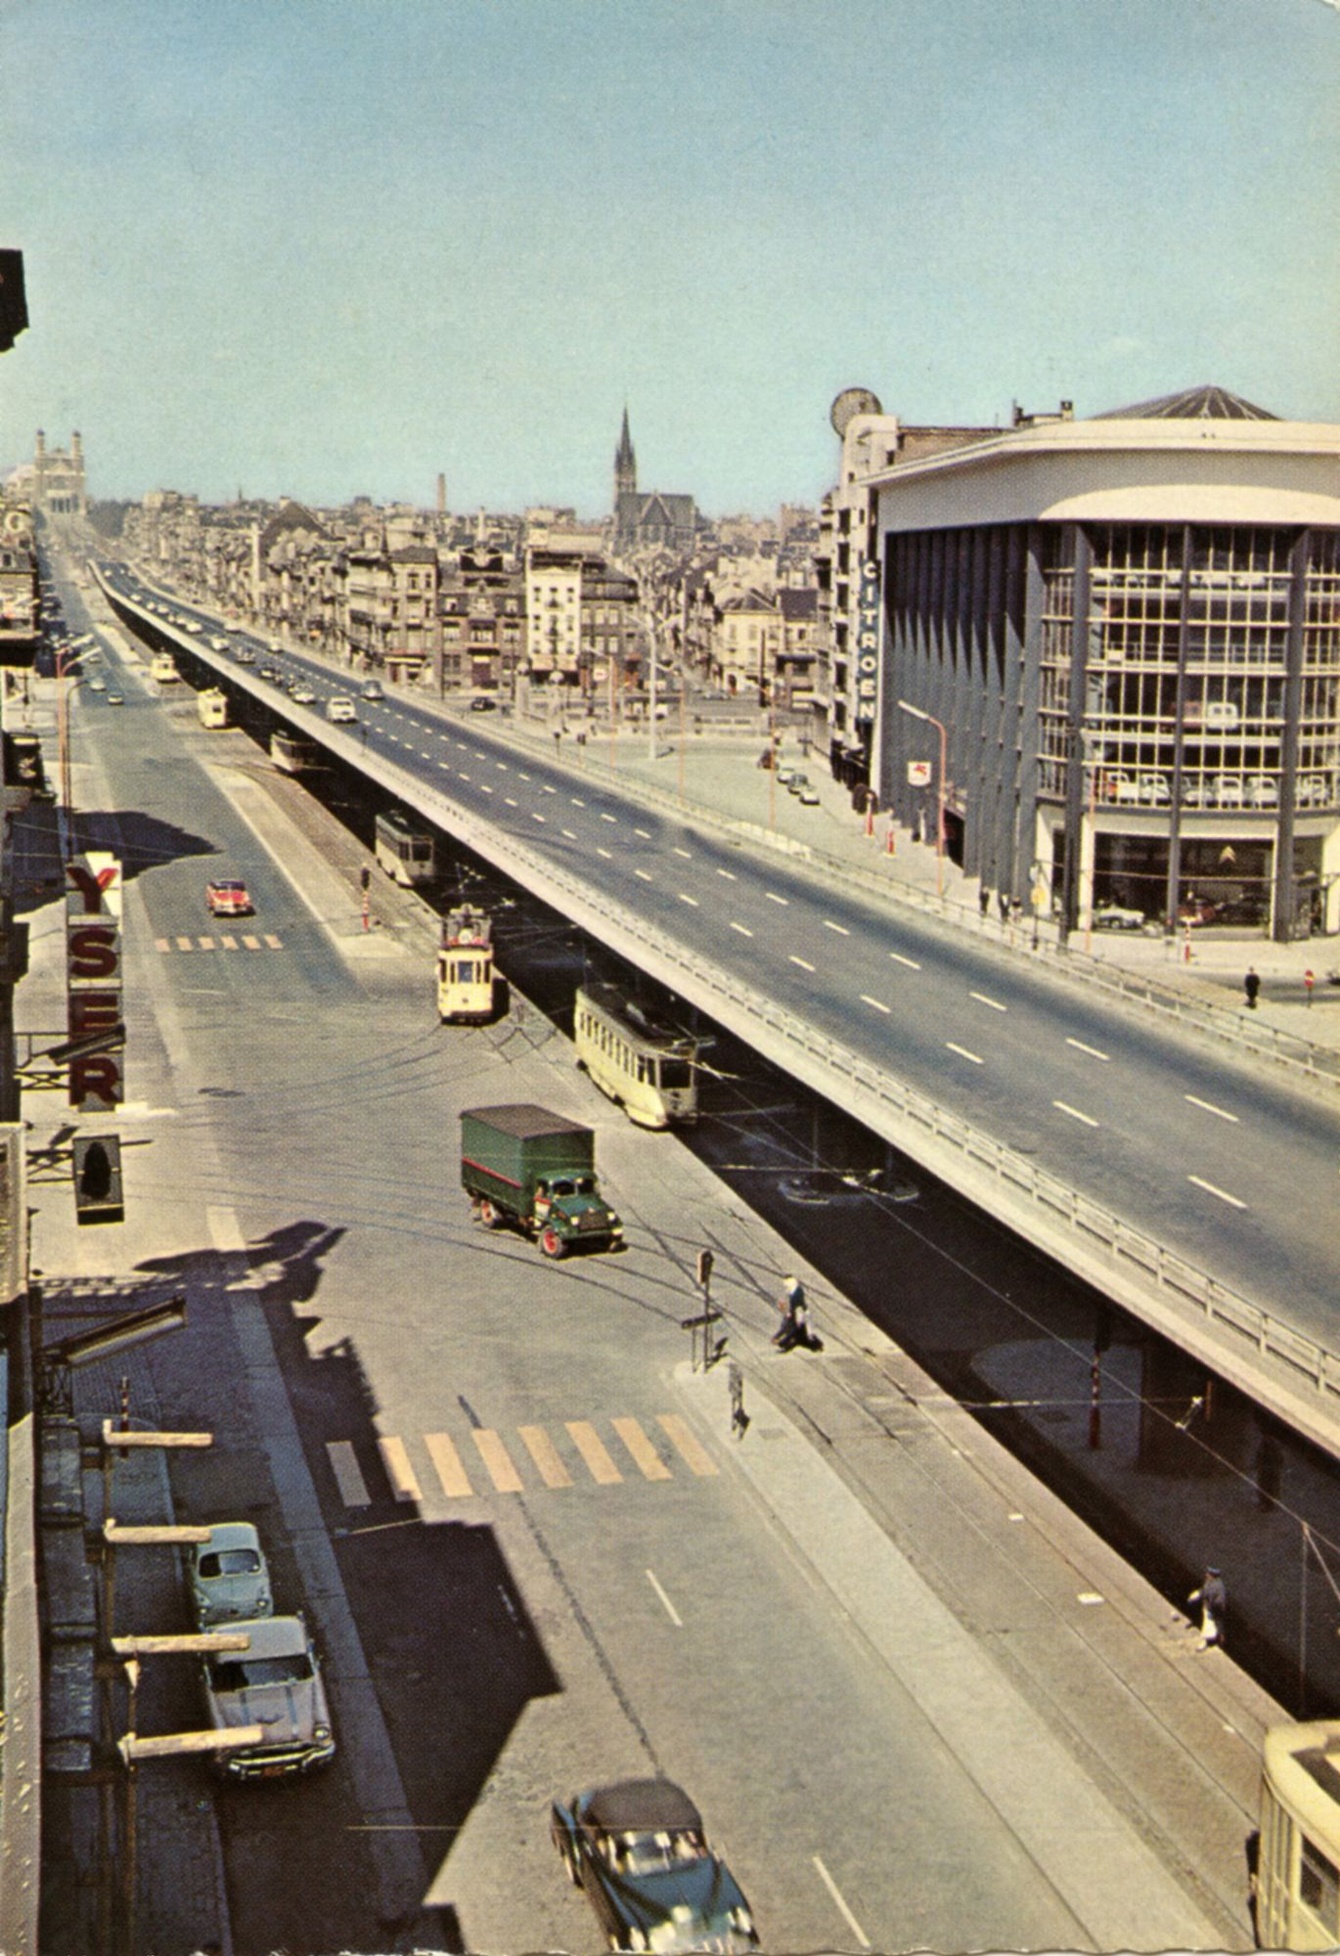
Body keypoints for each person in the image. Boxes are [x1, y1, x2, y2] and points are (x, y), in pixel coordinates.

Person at [1188, 1565, 1227, 1650]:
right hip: (1208, 1607)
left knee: (1211, 1626)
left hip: (1214, 1610)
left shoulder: (1217, 1587)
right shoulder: (1209, 1582)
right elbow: (1204, 1591)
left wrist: (1212, 1610)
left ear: (1212, 1575)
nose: (1206, 1574)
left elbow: (1218, 1601)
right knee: (1213, 1625)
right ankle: (1219, 1639)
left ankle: (1206, 1643)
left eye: (1208, 1573)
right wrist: (1196, 1595)